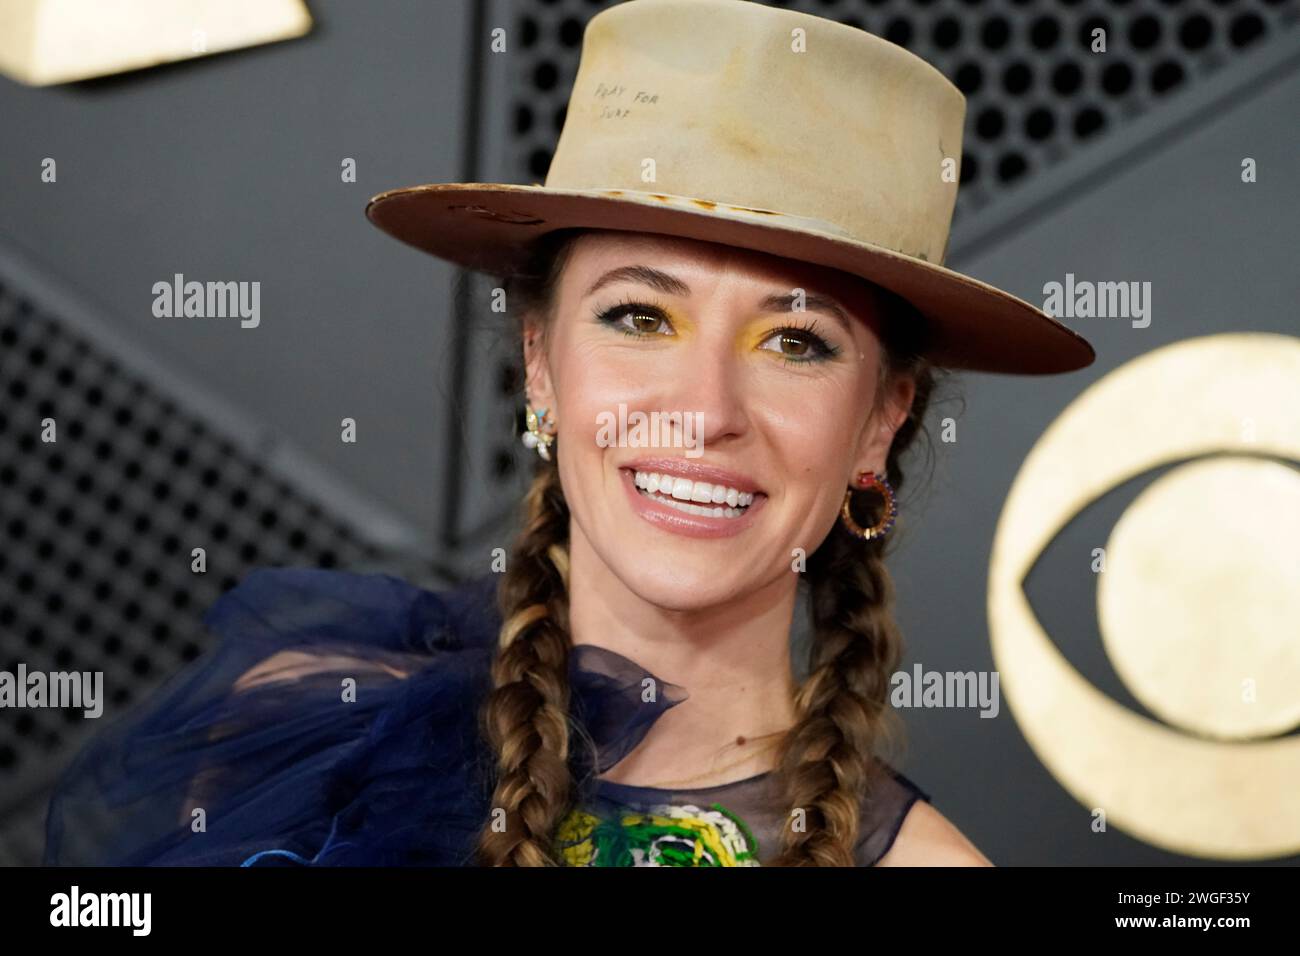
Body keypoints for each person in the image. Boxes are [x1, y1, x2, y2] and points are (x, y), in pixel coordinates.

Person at [44, 0, 1093, 867]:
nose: (706, 409)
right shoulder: (312, 730)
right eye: (640, 316)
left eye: (795, 340)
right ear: (540, 361)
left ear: (881, 420)